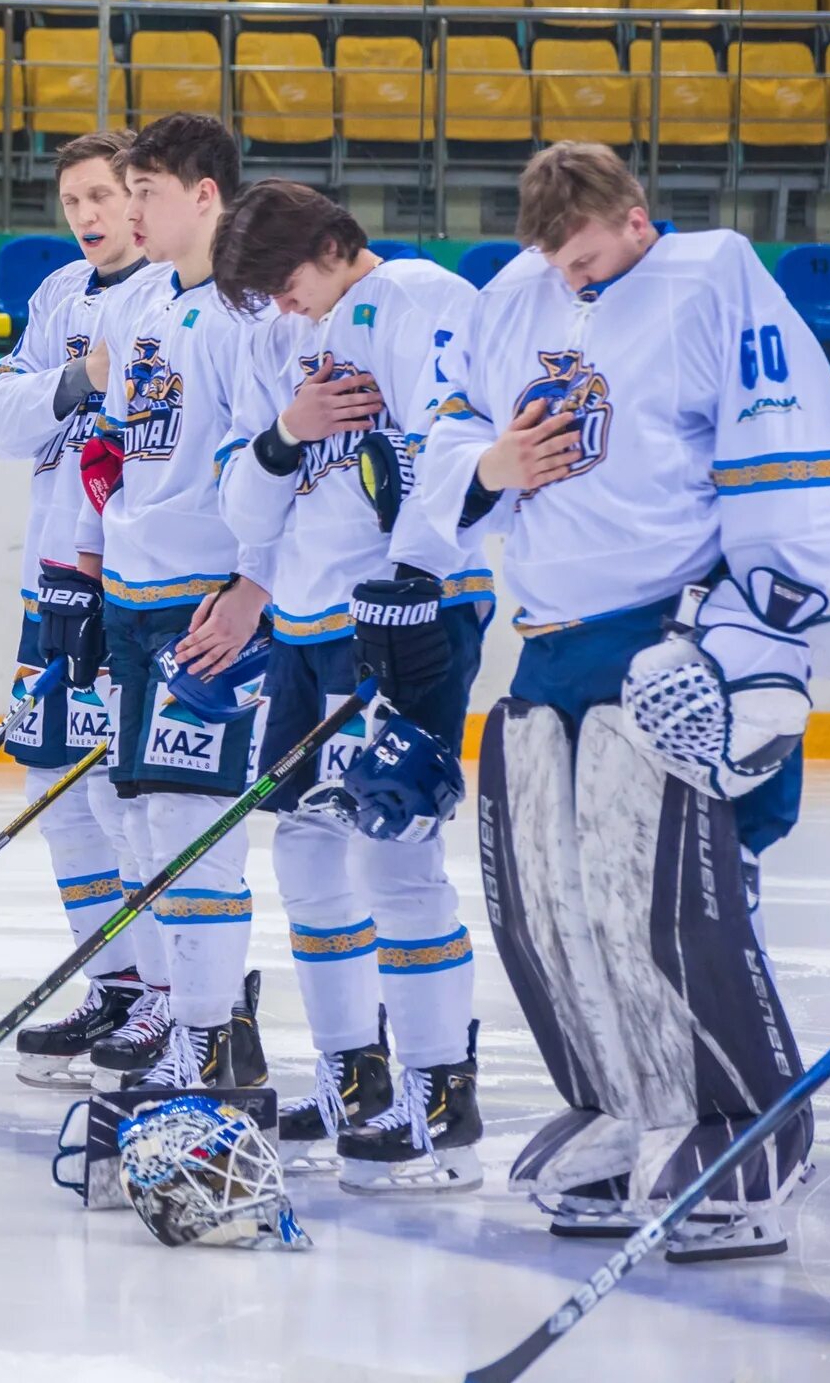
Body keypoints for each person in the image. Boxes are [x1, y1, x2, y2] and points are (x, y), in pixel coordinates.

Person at [415, 142, 830, 1262]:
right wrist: (491, 467)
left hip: (671, 635)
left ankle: (746, 1121)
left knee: (665, 907)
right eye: (553, 260)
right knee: (550, 904)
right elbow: (442, 437)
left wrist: (754, 646)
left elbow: (791, 452)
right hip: (548, 642)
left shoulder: (714, 278)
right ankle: (619, 1101)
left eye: (584, 256)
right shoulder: (512, 295)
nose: (571, 279)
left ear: (634, 215)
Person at [213, 179, 490, 1193]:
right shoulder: (276, 335)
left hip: (410, 613)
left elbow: (456, 447)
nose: (282, 305)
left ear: (334, 244)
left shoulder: (423, 299)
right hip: (301, 618)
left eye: (287, 282)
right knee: (307, 848)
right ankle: (355, 1076)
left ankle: (440, 1091)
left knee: (396, 851)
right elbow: (241, 492)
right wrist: (285, 435)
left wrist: (410, 579)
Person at [66, 113, 274, 1092]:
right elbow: (109, 444)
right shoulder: (140, 304)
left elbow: (281, 470)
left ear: (203, 195)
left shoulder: (252, 313)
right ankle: (186, 1010)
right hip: (130, 599)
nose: (130, 207)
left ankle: (212, 1035)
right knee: (138, 819)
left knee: (195, 828)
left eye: (145, 190)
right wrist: (85, 566)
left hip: (206, 604)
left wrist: (252, 590)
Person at [0, 132, 176, 1088]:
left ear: (140, 198)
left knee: (125, 796)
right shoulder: (60, 294)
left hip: (127, 581)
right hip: (46, 576)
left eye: (101, 195)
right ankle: (115, 979)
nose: (88, 216)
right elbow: (1, 418)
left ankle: (175, 995)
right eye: (72, 201)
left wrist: (89, 403)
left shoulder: (171, 295)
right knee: (55, 792)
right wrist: (75, 384)